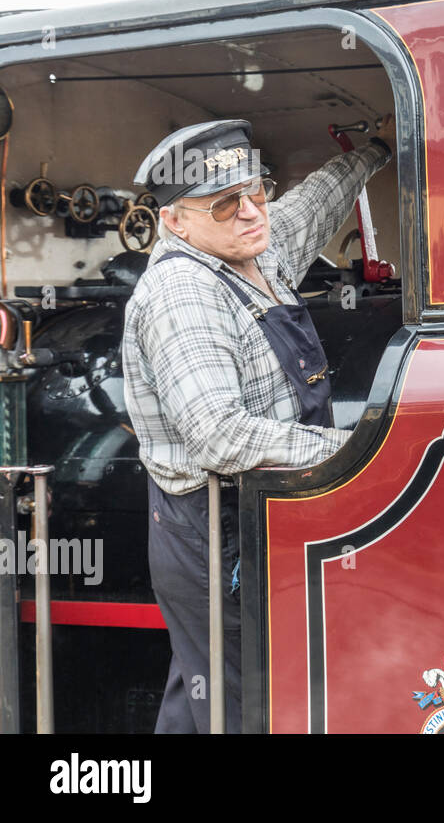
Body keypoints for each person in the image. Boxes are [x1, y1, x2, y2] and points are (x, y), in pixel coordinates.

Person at [122, 116, 393, 733]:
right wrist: (361, 453)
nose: (250, 212)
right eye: (224, 204)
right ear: (174, 220)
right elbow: (220, 434)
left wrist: (377, 149)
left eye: (257, 191)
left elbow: (315, 205)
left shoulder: (256, 249)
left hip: (262, 510)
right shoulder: (183, 292)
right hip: (214, 531)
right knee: (244, 701)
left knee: (206, 695)